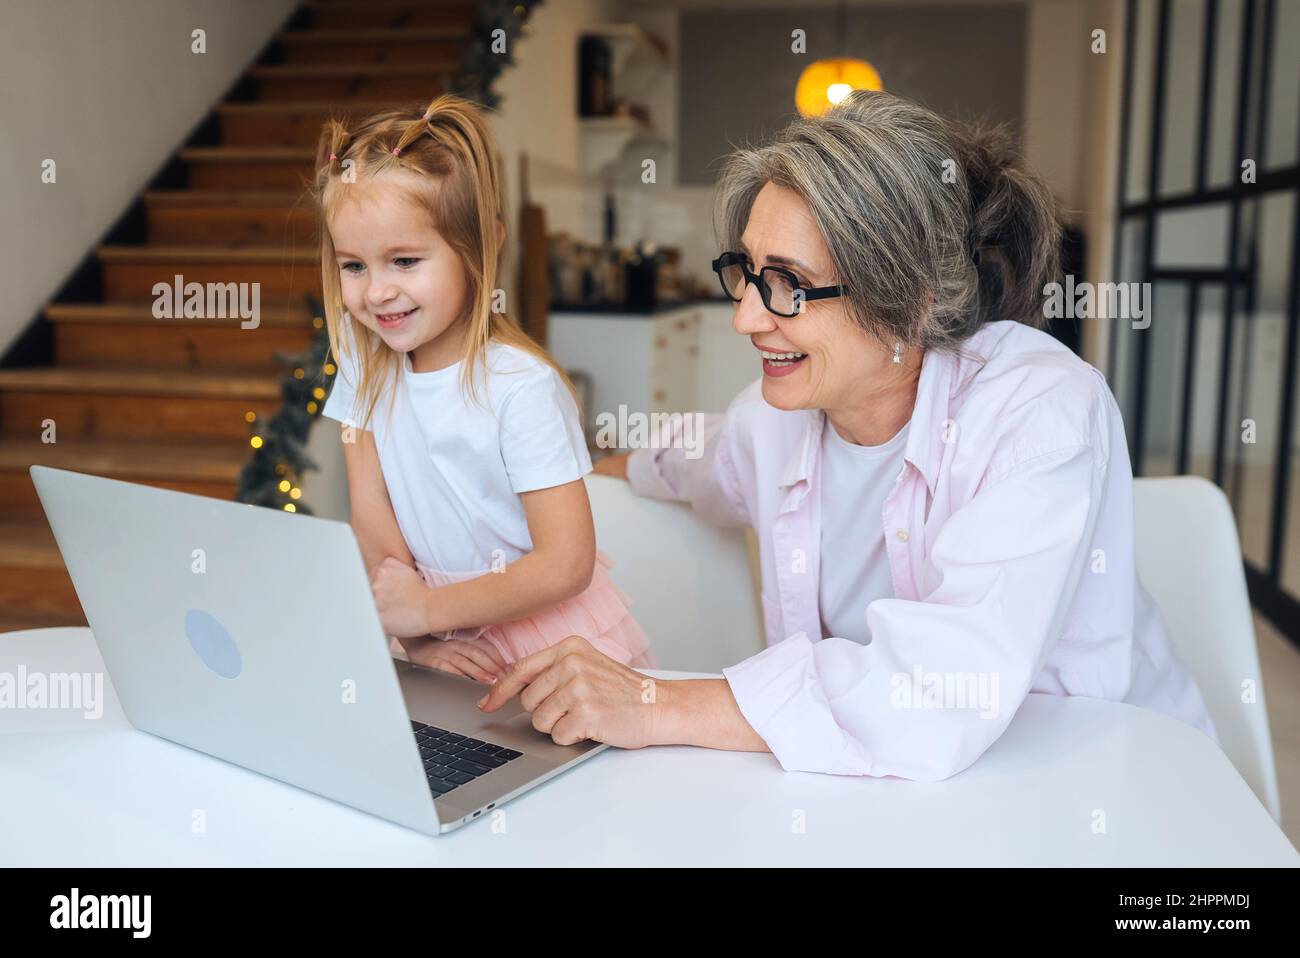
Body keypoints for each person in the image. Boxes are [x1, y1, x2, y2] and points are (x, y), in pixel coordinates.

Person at [313, 94, 651, 683]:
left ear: (482, 247)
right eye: (354, 266)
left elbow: (566, 564)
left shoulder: (521, 387)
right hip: (435, 633)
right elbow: (369, 503)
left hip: (543, 637)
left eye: (404, 260)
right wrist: (417, 634)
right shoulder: (362, 365)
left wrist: (426, 610)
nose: (377, 292)